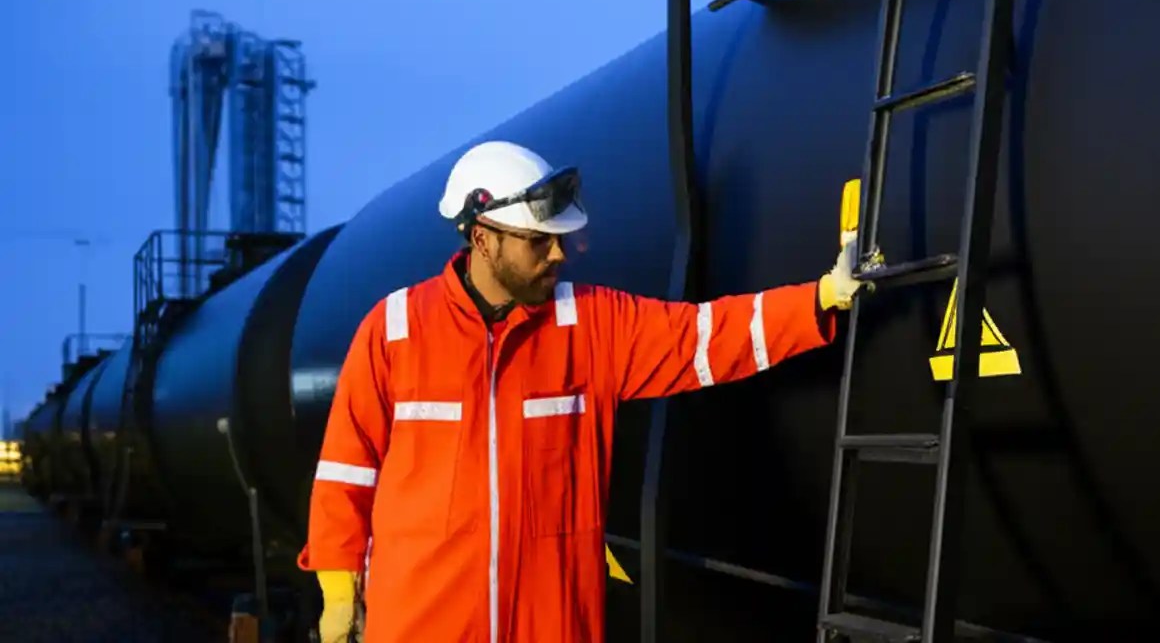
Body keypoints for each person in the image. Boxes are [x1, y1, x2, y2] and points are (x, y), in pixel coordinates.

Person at [297, 140, 865, 642]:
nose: (559, 255)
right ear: (482, 238)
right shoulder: (394, 329)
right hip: (421, 624)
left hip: (552, 622)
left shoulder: (591, 326)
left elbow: (704, 339)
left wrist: (819, 298)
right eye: (538, 242)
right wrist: (339, 587)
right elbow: (347, 468)